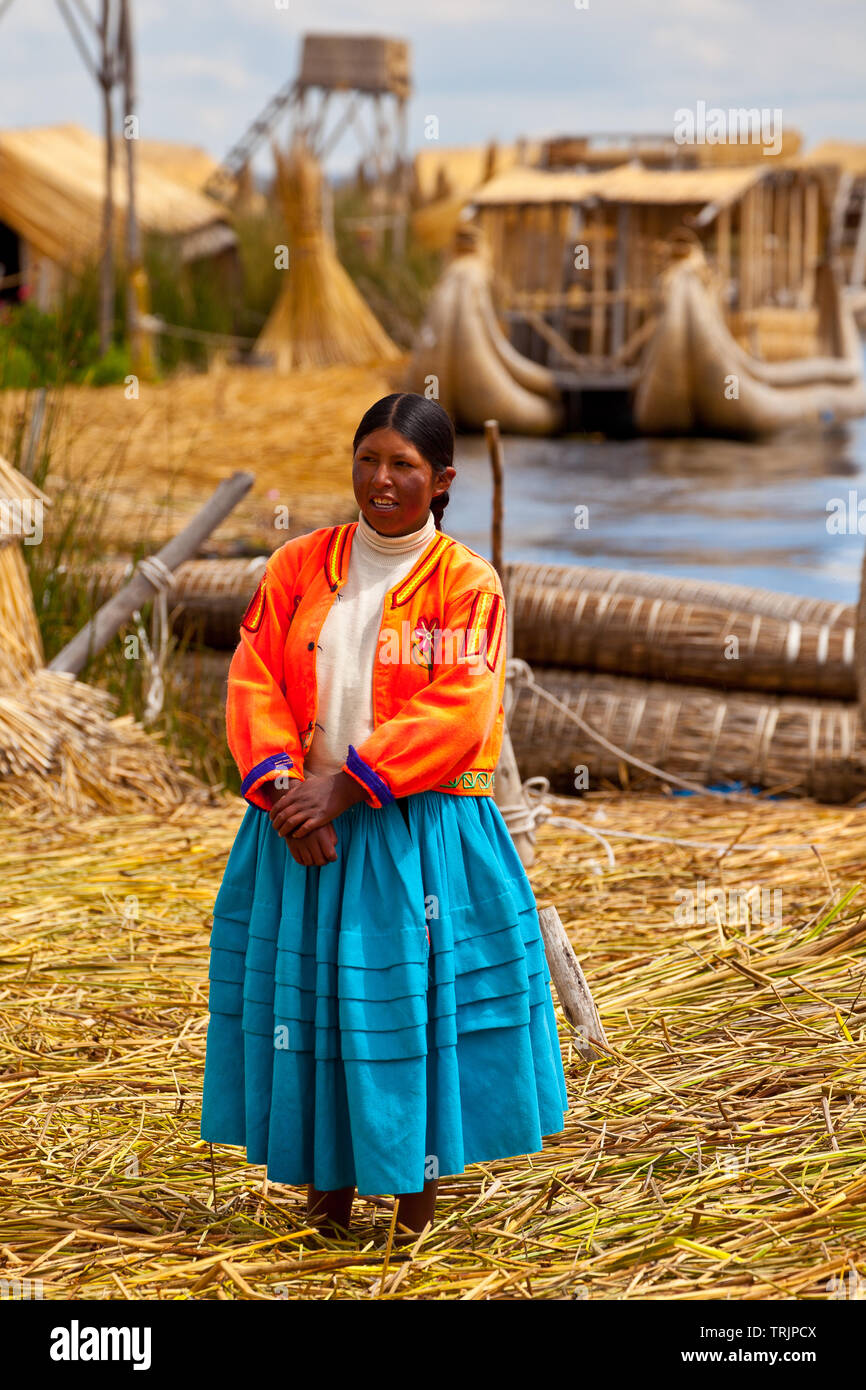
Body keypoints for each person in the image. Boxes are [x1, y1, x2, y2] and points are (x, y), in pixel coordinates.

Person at [200, 392, 568, 1243]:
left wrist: (350, 787)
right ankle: (323, 1204)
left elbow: (459, 709)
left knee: (405, 1015)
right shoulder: (299, 565)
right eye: (369, 459)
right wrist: (286, 791)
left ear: (440, 481)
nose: (382, 479)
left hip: (414, 833)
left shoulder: (466, 584)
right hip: (299, 826)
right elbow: (253, 675)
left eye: (404, 465)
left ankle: (412, 1206)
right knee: (317, 1011)